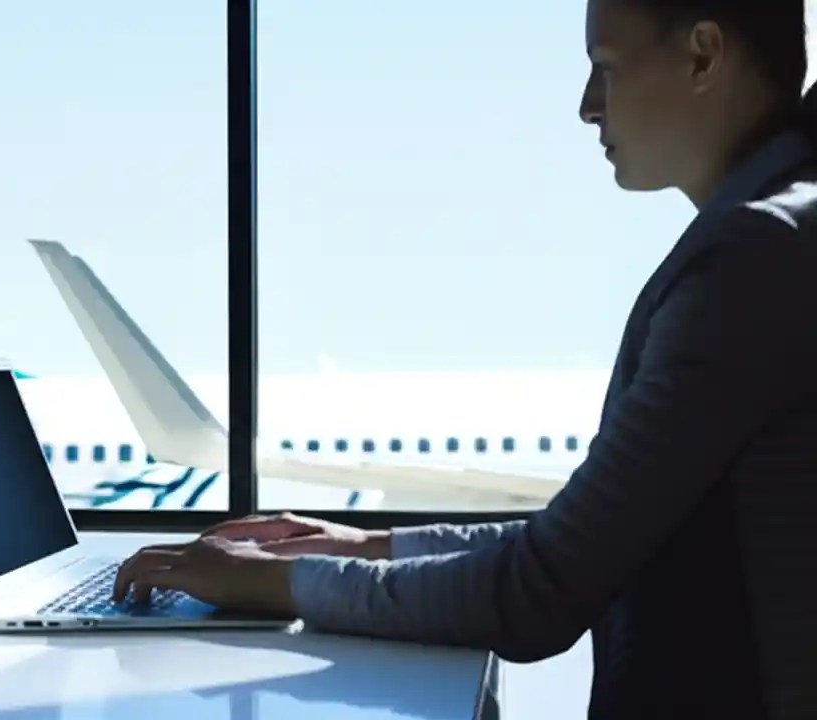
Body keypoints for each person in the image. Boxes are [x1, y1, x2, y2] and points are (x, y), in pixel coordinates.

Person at [112, 0, 817, 717]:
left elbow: (536, 594)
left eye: (604, 67)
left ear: (703, 56)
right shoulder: (777, 236)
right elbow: (576, 542)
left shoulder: (753, 261)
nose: (586, 106)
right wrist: (359, 547)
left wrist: (266, 584)